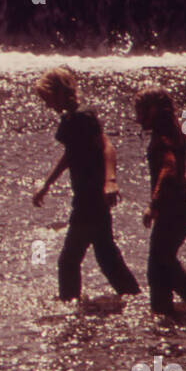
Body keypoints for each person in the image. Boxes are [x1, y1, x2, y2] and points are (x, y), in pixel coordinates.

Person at [33, 67, 141, 302]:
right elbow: (70, 155)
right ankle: (134, 297)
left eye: (47, 98)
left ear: (60, 93)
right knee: (106, 255)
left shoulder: (84, 116)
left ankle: (69, 306)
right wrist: (47, 184)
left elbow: (107, 147)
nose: (46, 105)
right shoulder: (70, 119)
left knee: (69, 260)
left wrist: (110, 182)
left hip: (91, 196)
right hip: (85, 194)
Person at [133, 86, 186, 316]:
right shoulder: (174, 130)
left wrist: (153, 205)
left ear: (154, 110)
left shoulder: (163, 138)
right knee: (159, 261)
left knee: (161, 259)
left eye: (140, 112)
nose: (137, 119)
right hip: (181, 207)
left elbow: (169, 169)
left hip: (174, 209)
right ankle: (163, 310)